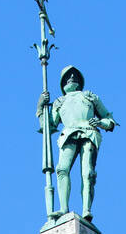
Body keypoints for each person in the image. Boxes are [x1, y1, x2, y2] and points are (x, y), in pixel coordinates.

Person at [37, 65, 116, 220]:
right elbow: (48, 126)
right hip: (68, 134)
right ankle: (63, 208)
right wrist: (40, 107)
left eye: (74, 75)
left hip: (89, 132)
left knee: (88, 173)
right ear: (63, 82)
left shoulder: (89, 96)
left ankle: (87, 209)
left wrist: (101, 123)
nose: (71, 77)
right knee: (61, 169)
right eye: (68, 76)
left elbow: (110, 119)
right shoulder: (60, 102)